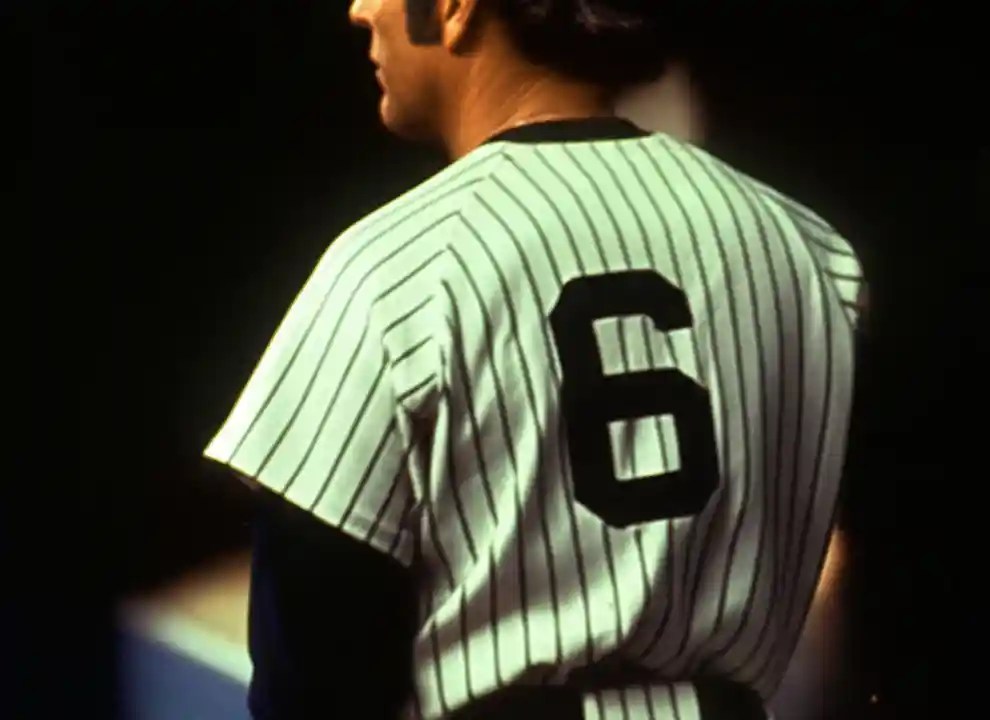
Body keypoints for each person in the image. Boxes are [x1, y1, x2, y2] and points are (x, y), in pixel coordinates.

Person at [203, 0, 863, 718]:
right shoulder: (807, 250)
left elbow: (311, 667)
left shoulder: (394, 269)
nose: (360, 9)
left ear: (456, 9)